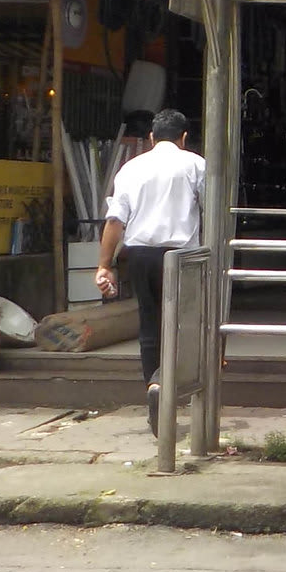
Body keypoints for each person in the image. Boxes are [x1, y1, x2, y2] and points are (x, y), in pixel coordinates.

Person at [94, 109, 205, 436]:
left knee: (149, 323)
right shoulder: (196, 165)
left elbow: (115, 221)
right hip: (182, 256)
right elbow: (209, 209)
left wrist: (104, 265)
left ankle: (153, 386)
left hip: (140, 255)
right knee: (184, 324)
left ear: (152, 138)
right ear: (184, 138)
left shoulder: (131, 168)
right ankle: (170, 383)